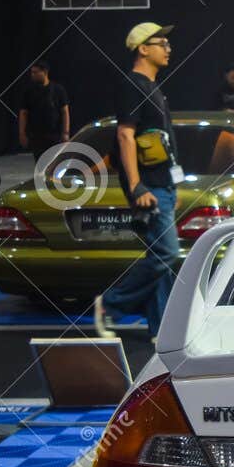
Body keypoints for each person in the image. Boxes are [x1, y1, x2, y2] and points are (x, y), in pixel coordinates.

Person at [94, 22, 183, 341]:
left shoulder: (154, 88)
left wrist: (174, 186)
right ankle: (109, 303)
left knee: (161, 261)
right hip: (148, 187)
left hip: (163, 185)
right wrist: (136, 186)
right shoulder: (132, 84)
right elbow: (125, 135)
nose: (168, 48)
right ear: (143, 49)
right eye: (162, 43)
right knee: (167, 254)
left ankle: (160, 331)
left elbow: (163, 142)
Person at [17, 59, 70, 157]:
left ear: (45, 72)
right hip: (36, 136)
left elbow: (65, 112)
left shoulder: (58, 90)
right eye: (32, 72)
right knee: (40, 164)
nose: (32, 75)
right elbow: (23, 113)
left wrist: (65, 132)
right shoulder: (29, 91)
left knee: (54, 164)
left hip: (55, 135)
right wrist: (22, 133)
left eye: (35, 72)